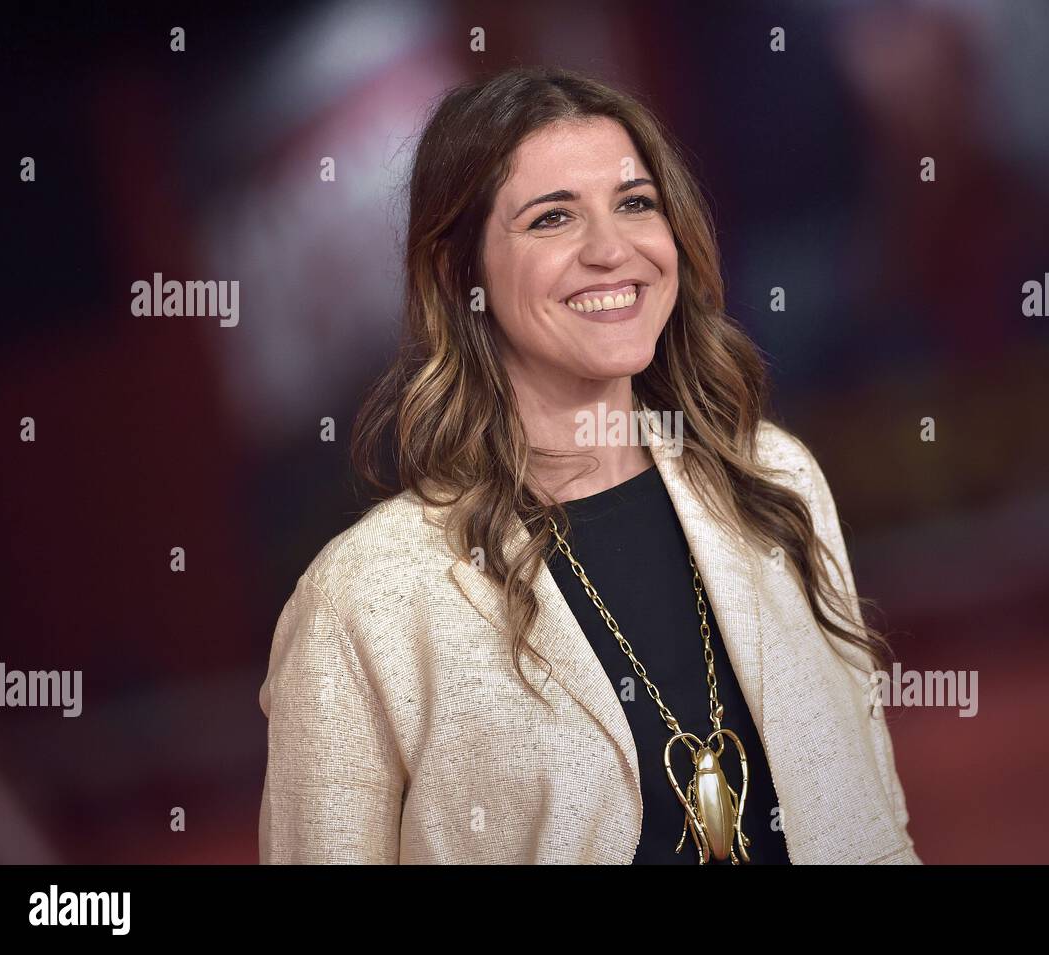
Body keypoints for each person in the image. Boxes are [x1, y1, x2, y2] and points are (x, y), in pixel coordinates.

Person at [257, 65, 919, 865]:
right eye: (552, 219)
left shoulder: (777, 482)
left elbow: (880, 832)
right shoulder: (363, 601)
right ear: (457, 273)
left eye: (635, 203)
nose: (612, 249)